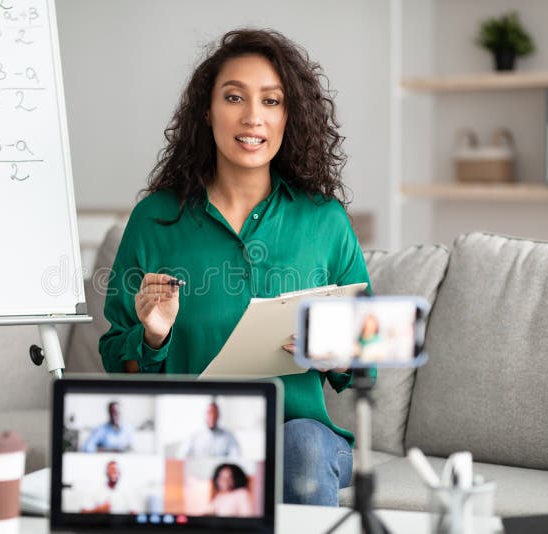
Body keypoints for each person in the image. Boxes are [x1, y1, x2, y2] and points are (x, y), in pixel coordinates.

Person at [99, 29, 375, 506]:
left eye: (271, 101)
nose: (253, 117)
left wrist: (339, 352)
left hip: (299, 438)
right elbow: (115, 361)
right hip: (189, 438)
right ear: (206, 112)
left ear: (290, 115)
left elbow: (369, 346)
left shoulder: (324, 220)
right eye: (234, 97)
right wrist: (152, 337)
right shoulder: (156, 219)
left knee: (304, 447)